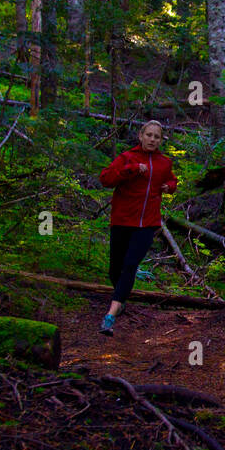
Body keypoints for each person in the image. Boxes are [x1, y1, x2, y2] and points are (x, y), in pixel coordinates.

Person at [98, 120, 177, 335]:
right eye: (149, 135)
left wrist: (169, 187)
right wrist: (131, 170)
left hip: (148, 224)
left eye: (157, 137)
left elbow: (172, 181)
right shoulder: (127, 158)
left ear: (161, 140)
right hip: (123, 221)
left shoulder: (164, 162)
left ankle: (110, 315)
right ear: (141, 136)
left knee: (130, 265)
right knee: (115, 268)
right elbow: (105, 179)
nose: (152, 140)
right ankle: (120, 299)